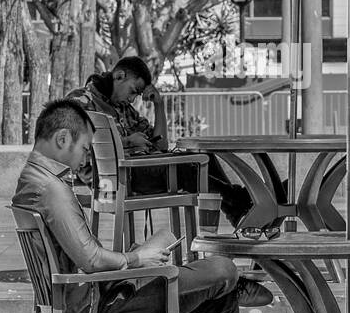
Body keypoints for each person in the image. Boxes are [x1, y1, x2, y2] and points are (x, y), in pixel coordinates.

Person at [13, 99, 281, 313]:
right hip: (96, 305)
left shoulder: (32, 179)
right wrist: (135, 260)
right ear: (63, 139)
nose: (86, 158)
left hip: (81, 298)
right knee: (222, 270)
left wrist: (138, 254)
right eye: (84, 148)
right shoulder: (52, 189)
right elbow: (92, 260)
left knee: (215, 292)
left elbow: (85, 257)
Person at [67, 55, 252, 228]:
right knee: (186, 168)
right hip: (112, 182)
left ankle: (238, 211)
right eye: (133, 91)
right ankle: (241, 201)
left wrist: (159, 105)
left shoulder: (124, 108)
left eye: (136, 95)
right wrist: (127, 142)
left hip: (138, 171)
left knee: (203, 158)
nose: (132, 99)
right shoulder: (81, 101)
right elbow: (75, 147)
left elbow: (160, 145)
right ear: (119, 76)